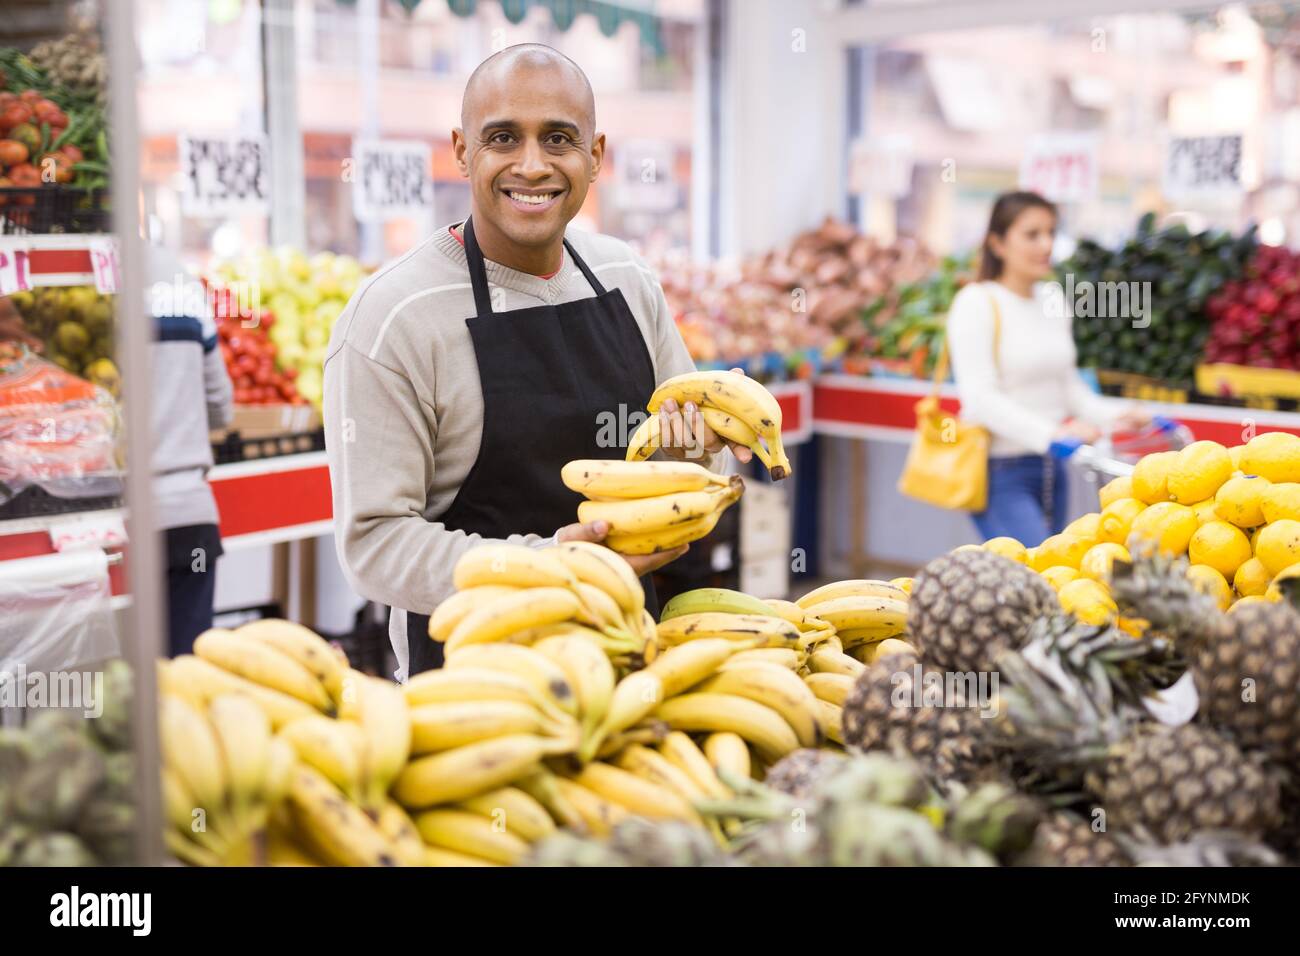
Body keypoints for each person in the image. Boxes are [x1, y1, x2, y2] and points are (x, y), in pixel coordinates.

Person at [324, 45, 751, 680]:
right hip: (478, 687)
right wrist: (550, 563)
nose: (532, 165)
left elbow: (695, 467)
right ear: (463, 151)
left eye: (558, 138)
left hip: (635, 657)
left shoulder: (626, 280)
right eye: (502, 138)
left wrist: (691, 455)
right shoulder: (391, 317)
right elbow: (376, 545)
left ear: (595, 155)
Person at [947, 191, 1148, 545]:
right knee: (1036, 573)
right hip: (999, 472)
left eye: (1051, 232)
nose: (1046, 244)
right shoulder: (976, 302)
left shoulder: (1053, 298)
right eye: (1032, 234)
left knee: (1052, 578)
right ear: (997, 243)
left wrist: (1120, 414)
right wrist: (1053, 434)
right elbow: (979, 399)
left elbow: (1069, 389)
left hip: (1055, 469)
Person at [146, 243, 233, 655]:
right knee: (185, 682)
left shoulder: (68, 276)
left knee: (110, 699)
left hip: (105, 533)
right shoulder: (176, 273)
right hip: (189, 515)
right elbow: (220, 405)